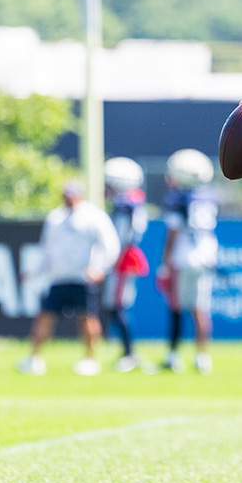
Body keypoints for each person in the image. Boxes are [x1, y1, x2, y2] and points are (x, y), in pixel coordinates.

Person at [17, 180, 120, 376]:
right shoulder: (55, 218)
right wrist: (34, 272)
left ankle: (90, 359)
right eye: (66, 194)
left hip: (83, 279)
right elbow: (46, 250)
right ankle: (34, 358)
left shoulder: (93, 216)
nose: (69, 198)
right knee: (45, 316)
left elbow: (110, 245)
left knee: (87, 317)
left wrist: (100, 268)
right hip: (59, 278)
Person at [157, 149, 218, 375]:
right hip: (205, 257)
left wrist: (164, 263)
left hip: (183, 258)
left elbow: (173, 233)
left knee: (176, 308)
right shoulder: (209, 196)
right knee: (200, 310)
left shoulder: (177, 199)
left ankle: (173, 356)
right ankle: (202, 358)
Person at [102, 157, 151, 374]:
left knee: (118, 306)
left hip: (123, 259)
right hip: (123, 256)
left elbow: (122, 236)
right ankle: (127, 353)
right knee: (116, 307)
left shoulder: (126, 204)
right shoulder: (133, 201)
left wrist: (110, 258)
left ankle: (129, 354)